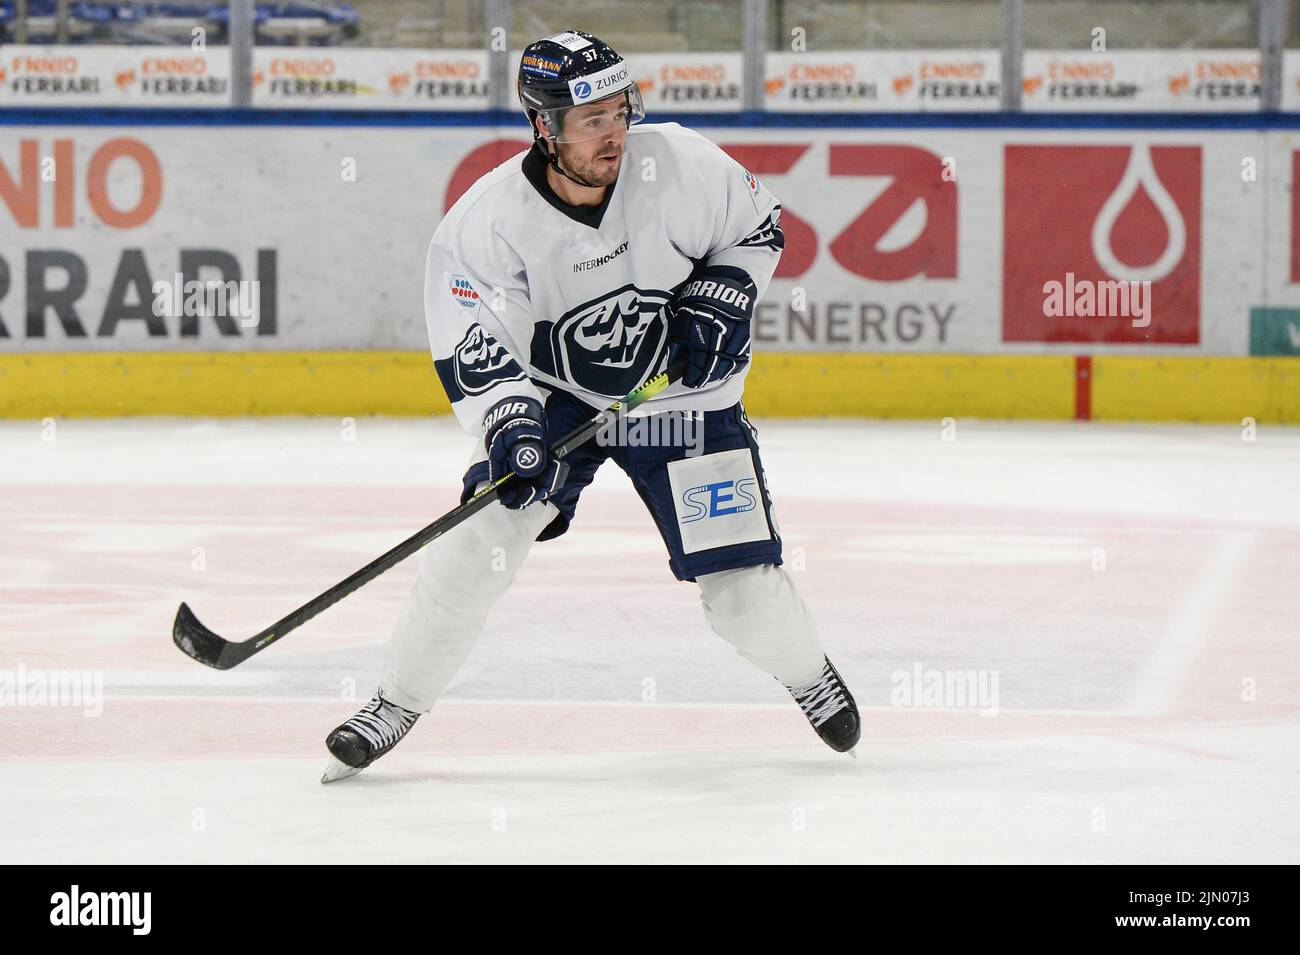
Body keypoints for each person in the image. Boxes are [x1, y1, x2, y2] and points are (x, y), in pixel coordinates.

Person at [322, 30, 859, 782]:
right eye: (592, 121)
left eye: (620, 111)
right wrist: (510, 423)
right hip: (560, 402)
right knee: (481, 544)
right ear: (545, 128)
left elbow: (759, 230)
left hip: (684, 399)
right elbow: (481, 344)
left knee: (740, 596)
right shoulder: (488, 222)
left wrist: (726, 290)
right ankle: (395, 702)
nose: (615, 134)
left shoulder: (680, 164)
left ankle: (810, 674)